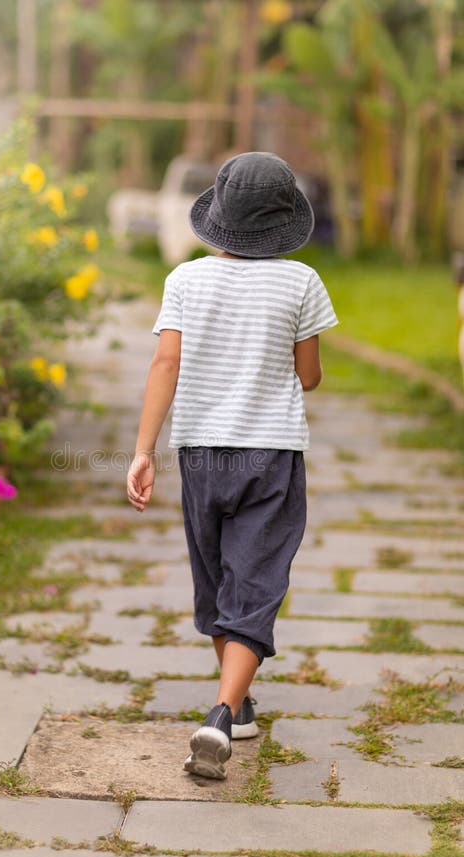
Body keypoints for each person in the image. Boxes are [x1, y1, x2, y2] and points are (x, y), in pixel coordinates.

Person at [126, 151, 338, 780]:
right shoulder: (302, 282)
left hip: (200, 455)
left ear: (217, 216)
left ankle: (237, 705)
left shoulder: (185, 280)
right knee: (256, 581)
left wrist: (142, 451)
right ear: (284, 220)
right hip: (270, 455)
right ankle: (222, 714)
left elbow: (165, 365)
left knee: (219, 580)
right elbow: (309, 376)